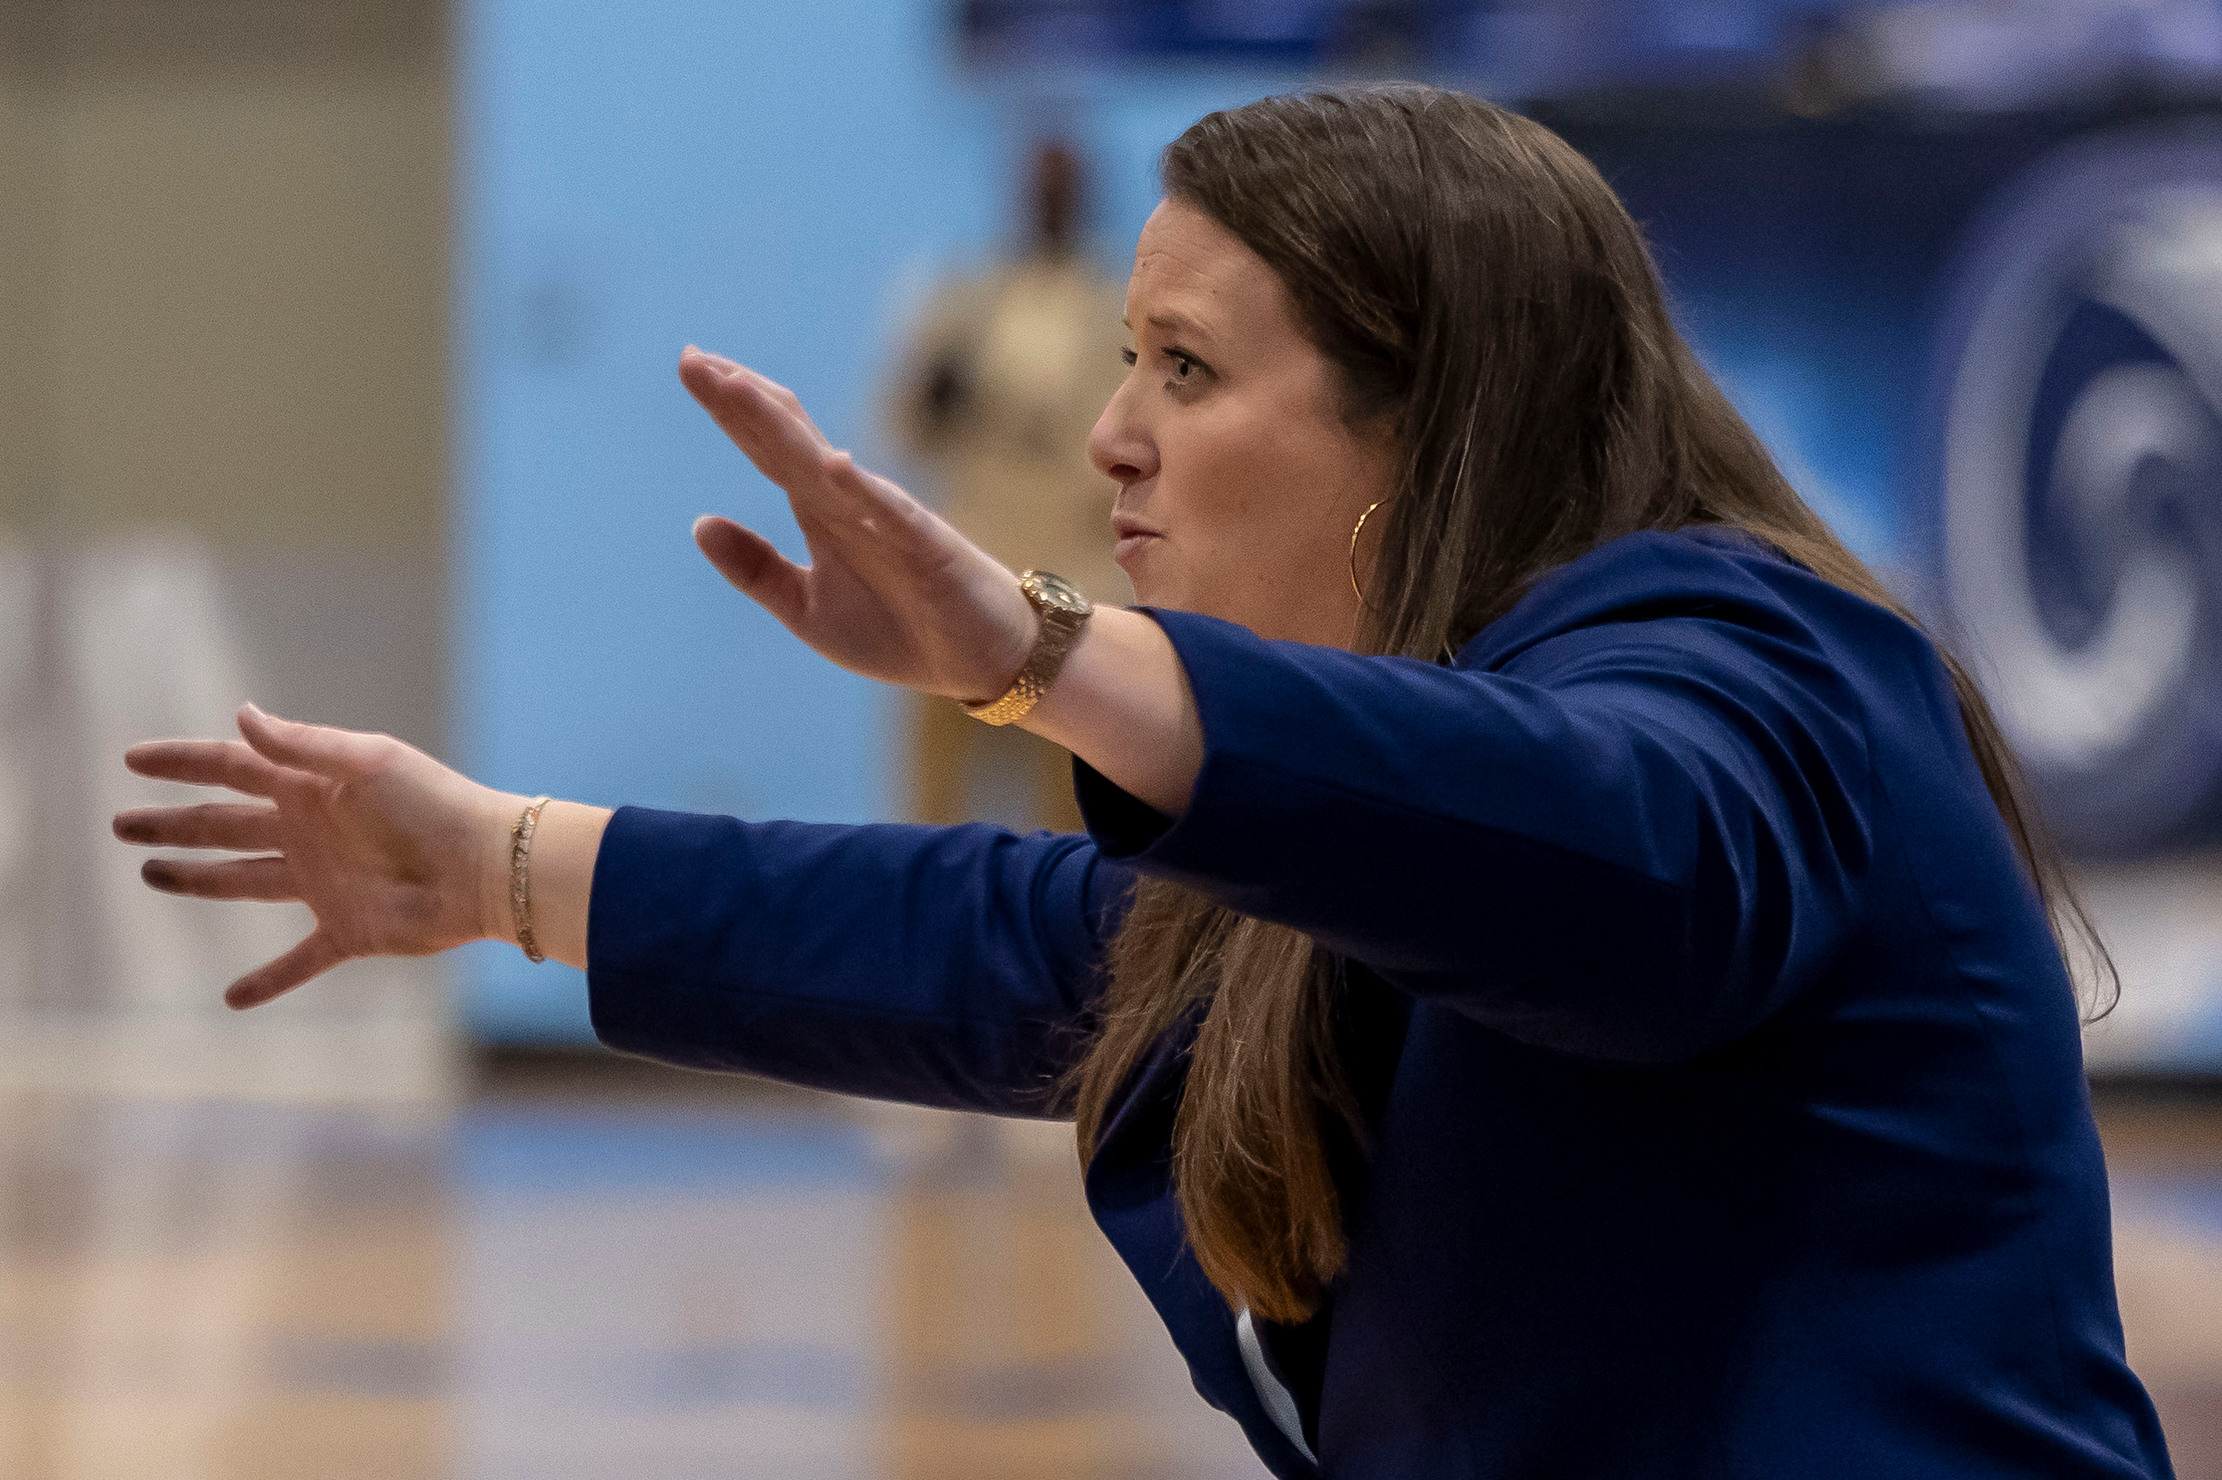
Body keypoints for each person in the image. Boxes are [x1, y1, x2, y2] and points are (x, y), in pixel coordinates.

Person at [111, 86, 2172, 1479]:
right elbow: (1031, 936)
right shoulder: (1356, 804)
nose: (1110, 436)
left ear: (1423, 430)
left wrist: (1041, 654)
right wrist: (502, 863)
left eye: (1182, 371)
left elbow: (1621, 859)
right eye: (1122, 359)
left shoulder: (1749, 653)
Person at [885, 138, 1128, 833]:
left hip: (1074, 573)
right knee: (936, 790)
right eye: (1039, 184)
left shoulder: (1117, 308)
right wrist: (937, 395)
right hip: (973, 551)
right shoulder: (964, 300)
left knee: (1074, 793)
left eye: (1064, 185)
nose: (1049, 200)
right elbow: (905, 426)